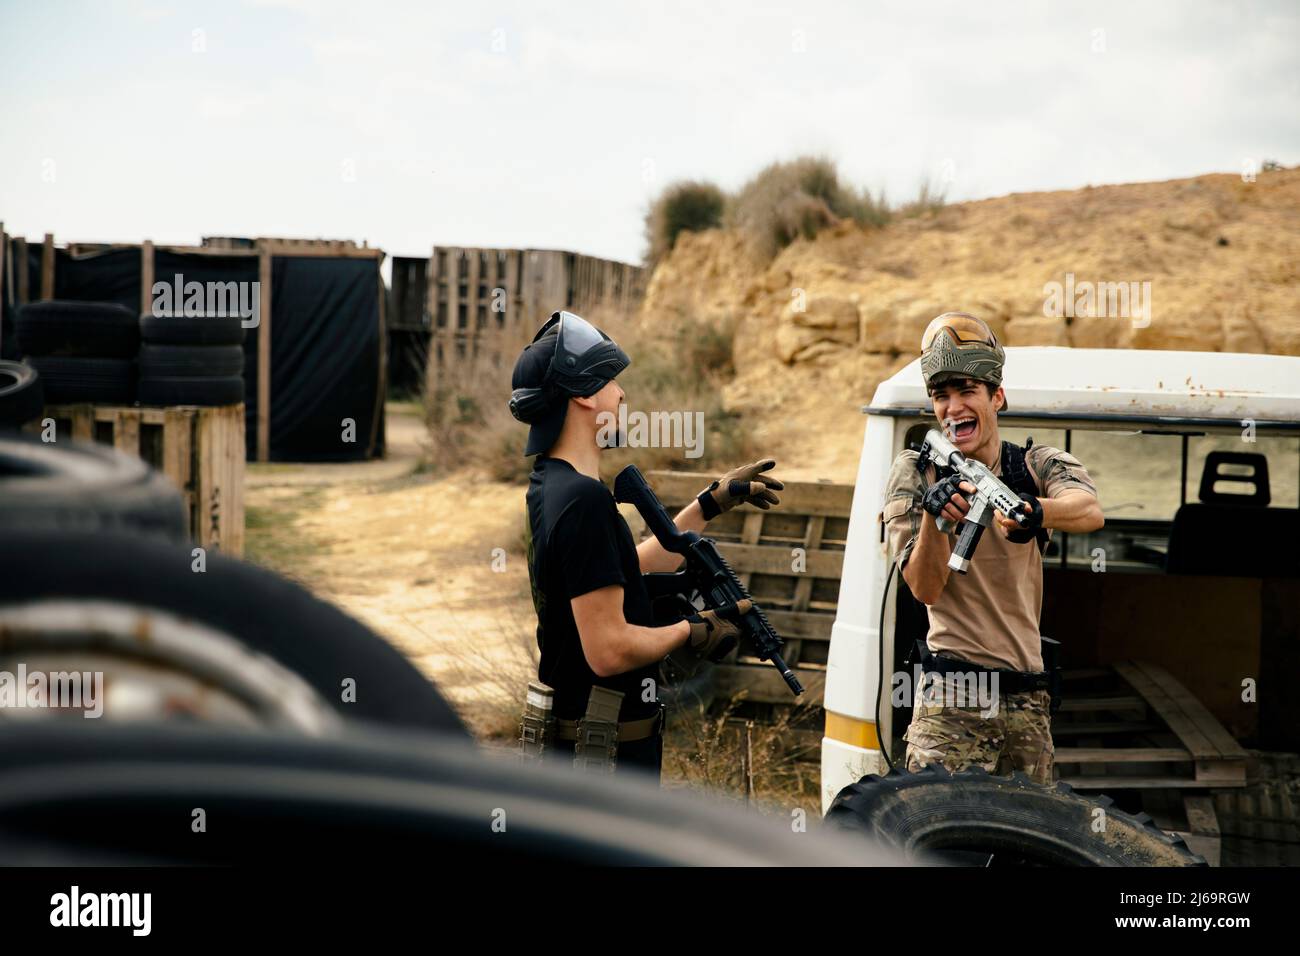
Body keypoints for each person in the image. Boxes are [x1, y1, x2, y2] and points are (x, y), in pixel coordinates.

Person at [509, 310, 783, 778]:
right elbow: (609, 649)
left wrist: (707, 505)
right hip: (602, 759)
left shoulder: (552, 484)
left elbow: (616, 573)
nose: (621, 394)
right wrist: (692, 630)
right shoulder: (583, 500)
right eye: (611, 383)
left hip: (588, 747)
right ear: (582, 396)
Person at [882, 312, 1104, 784]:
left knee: (1028, 842)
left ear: (997, 397)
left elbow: (1088, 510)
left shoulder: (1034, 464)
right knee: (938, 842)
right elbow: (923, 587)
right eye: (942, 396)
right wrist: (934, 515)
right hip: (952, 694)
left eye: (967, 392)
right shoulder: (917, 472)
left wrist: (1033, 512)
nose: (954, 407)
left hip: (1028, 695)